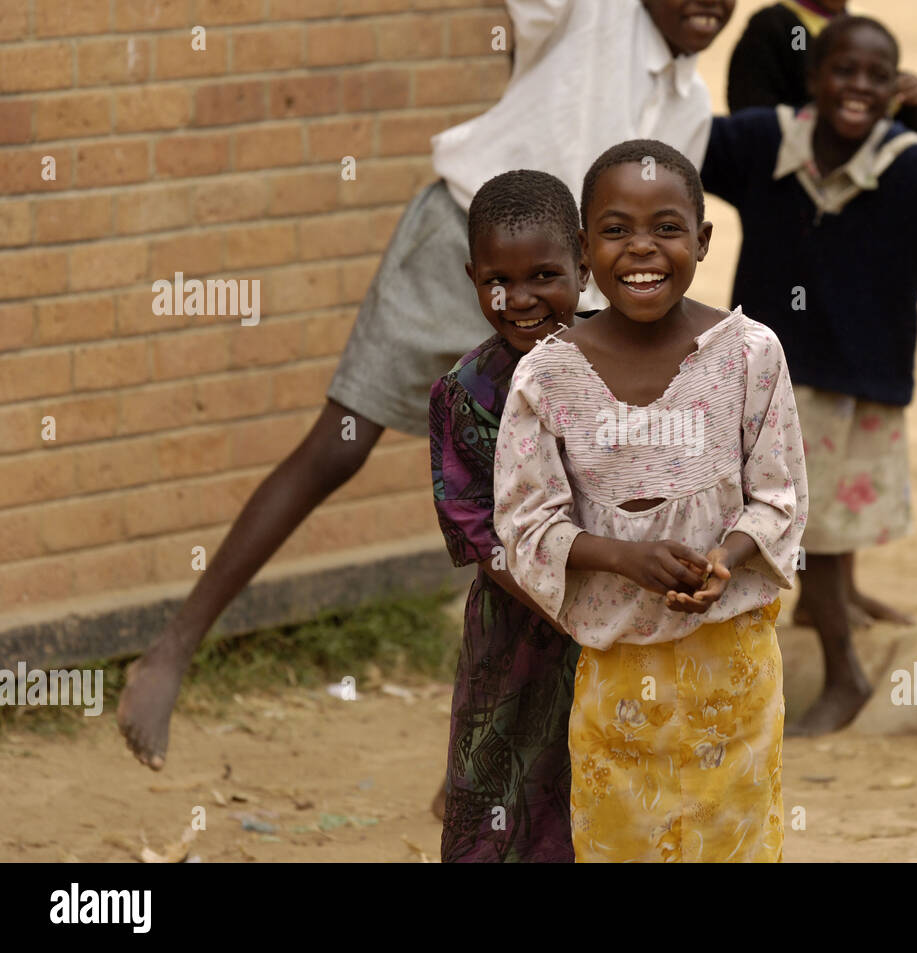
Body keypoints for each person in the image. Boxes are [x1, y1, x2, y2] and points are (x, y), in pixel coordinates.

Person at [116, 0, 737, 772]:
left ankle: (483, 770)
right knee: (339, 447)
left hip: (567, 300)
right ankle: (170, 652)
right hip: (462, 248)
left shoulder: (692, 106)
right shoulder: (587, 13)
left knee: (550, 514)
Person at [701, 14, 917, 736]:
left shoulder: (913, 168)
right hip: (771, 382)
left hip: (858, 390)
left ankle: (843, 676)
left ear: (896, 90)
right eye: (843, 72)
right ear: (815, 79)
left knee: (818, 541)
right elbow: (683, 149)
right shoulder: (763, 141)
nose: (858, 86)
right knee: (793, 535)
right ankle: (813, 666)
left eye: (876, 77)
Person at [493, 140, 808, 862]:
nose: (643, 249)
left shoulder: (749, 354)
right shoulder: (549, 375)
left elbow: (779, 494)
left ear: (702, 239)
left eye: (667, 227)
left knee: (733, 843)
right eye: (615, 230)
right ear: (582, 247)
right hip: (617, 678)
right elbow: (524, 521)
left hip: (734, 671)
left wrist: (725, 558)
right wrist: (624, 558)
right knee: (618, 841)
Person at [431, 170, 589, 861]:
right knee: (496, 804)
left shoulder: (629, 365)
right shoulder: (466, 395)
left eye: (545, 275)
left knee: (601, 798)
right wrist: (579, 613)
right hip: (518, 638)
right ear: (472, 277)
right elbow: (483, 539)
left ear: (584, 265)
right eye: (498, 280)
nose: (520, 299)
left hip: (628, 634)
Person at [726, 0, 917, 135]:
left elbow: (901, 129)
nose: (860, 85)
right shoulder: (773, 25)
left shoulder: (867, 25)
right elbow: (749, 118)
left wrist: (908, 100)